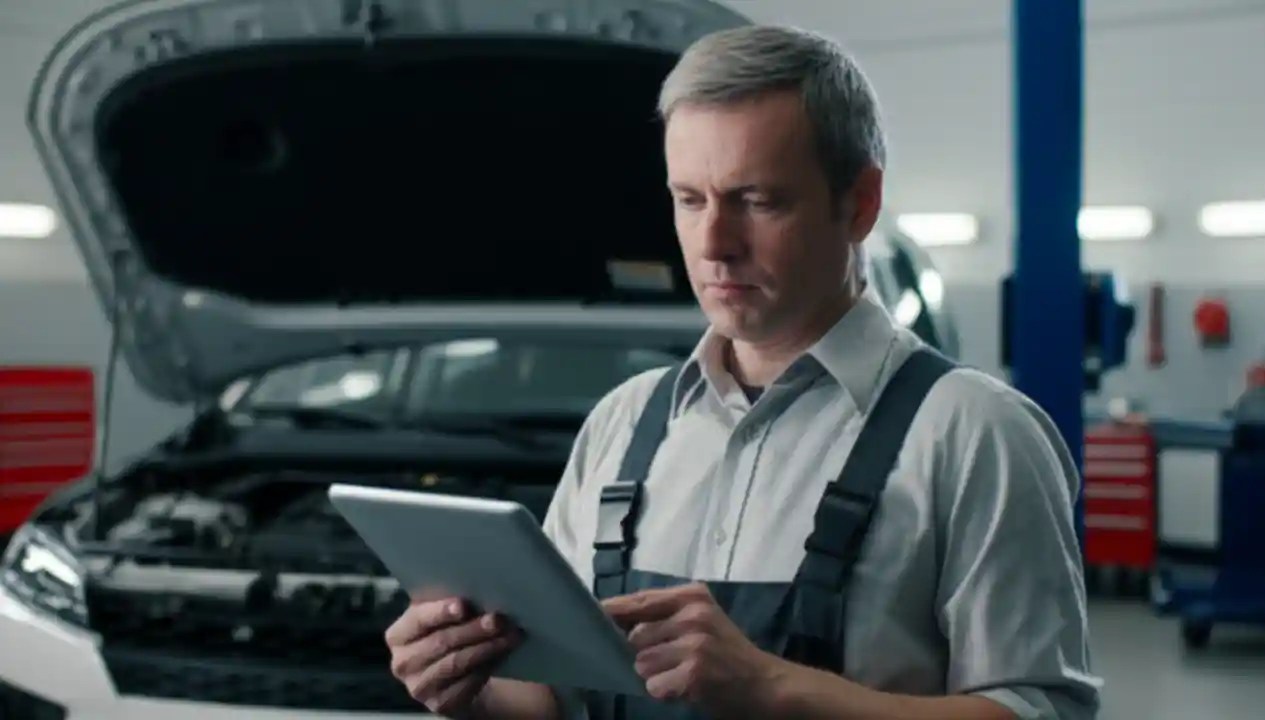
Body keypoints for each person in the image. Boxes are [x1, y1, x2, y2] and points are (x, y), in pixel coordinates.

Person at [383, 24, 1101, 720]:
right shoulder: (624, 423)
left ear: (859, 204)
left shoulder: (975, 435)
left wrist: (774, 689)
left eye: (757, 201)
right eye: (689, 200)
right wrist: (472, 687)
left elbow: (1039, 710)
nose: (714, 244)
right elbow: (562, 696)